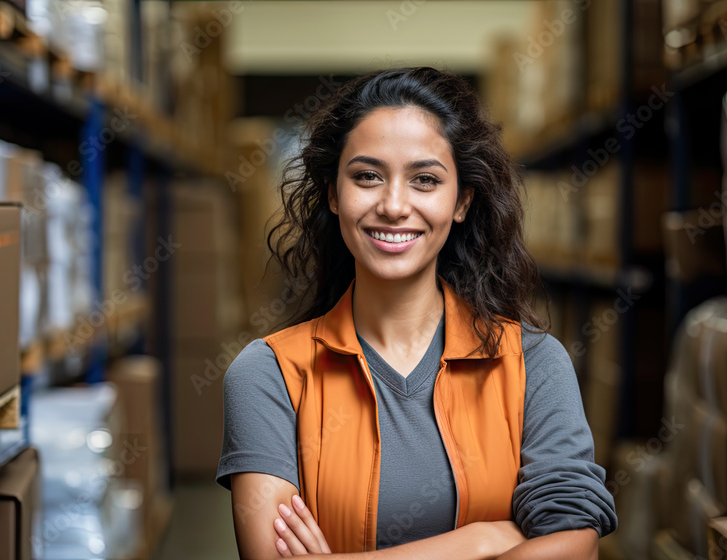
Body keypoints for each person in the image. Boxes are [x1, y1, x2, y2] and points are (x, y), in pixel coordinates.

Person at [216, 67, 617, 559]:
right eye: (367, 177)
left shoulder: (533, 365)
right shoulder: (269, 375)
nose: (393, 205)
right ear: (332, 195)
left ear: (462, 201)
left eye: (425, 180)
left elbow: (576, 549)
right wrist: (483, 539)